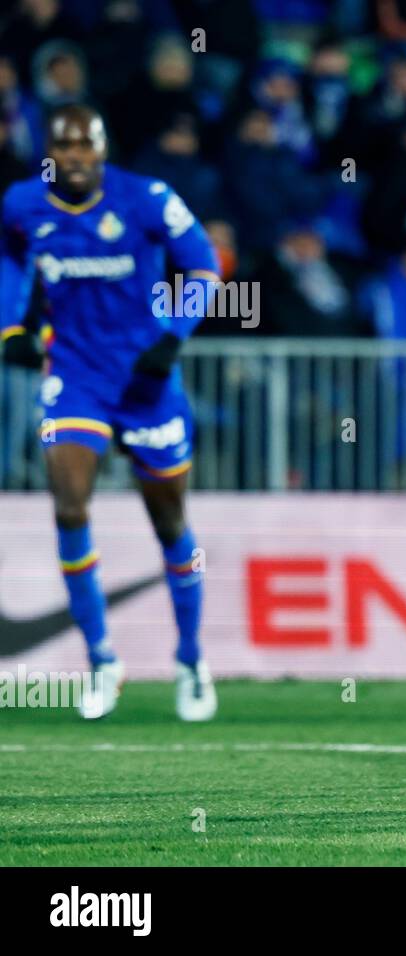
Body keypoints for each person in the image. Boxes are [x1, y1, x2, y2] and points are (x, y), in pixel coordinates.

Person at [0, 104, 220, 720]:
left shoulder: (147, 198)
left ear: (102, 150)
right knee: (69, 502)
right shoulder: (21, 204)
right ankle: (102, 659)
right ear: (49, 150)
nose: (73, 156)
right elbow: (10, 257)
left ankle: (192, 659)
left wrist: (173, 336)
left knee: (169, 522)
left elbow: (204, 266)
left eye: (85, 146)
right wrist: (9, 326)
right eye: (62, 146)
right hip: (74, 375)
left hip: (146, 377)